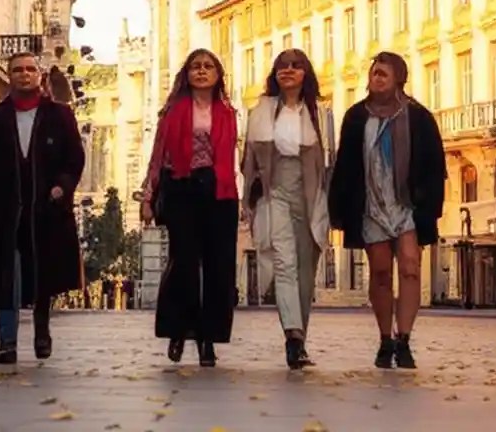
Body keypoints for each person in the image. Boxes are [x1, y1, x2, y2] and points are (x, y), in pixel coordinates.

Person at [328, 52, 446, 369]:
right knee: (380, 271)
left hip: (407, 203)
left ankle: (404, 339)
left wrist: (431, 206)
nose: (377, 78)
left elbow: (436, 166)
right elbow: (344, 165)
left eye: (384, 73)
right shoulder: (356, 117)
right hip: (371, 204)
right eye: (374, 72)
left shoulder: (419, 116)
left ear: (399, 79)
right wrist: (338, 208)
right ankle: (385, 339)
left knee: (410, 265)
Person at [0, 51, 86, 365]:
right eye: (18, 70)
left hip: (45, 209)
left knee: (43, 274)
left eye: (30, 69)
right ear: (9, 76)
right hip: (5, 210)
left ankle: (42, 332)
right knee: (4, 275)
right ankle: (7, 342)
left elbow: (74, 158)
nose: (24, 74)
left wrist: (62, 185)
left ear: (40, 75)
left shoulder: (59, 116)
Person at [140, 49, 239, 367]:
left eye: (208, 66)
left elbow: (231, 158)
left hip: (218, 189)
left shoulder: (227, 112)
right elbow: (158, 155)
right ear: (187, 74)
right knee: (183, 262)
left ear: (218, 75)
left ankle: (208, 339)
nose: (201, 71)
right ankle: (178, 330)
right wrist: (148, 197)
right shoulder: (172, 111)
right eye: (196, 66)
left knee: (217, 266)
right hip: (180, 186)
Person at [242, 48, 331, 370]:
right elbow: (248, 161)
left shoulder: (321, 113)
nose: (288, 71)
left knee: (306, 270)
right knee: (284, 262)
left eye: (295, 66)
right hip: (274, 190)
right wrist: (249, 199)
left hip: (311, 194)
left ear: (305, 72)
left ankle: (300, 337)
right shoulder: (261, 110)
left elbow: (330, 162)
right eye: (282, 66)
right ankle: (292, 338)